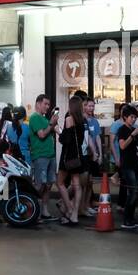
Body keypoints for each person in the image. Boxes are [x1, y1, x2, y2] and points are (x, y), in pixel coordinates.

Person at [56, 96, 88, 226]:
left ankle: (69, 209)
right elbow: (79, 140)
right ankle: (74, 215)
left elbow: (65, 140)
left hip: (68, 155)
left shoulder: (69, 119)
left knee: (60, 183)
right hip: (78, 154)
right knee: (77, 185)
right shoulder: (82, 120)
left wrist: (57, 130)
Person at [28, 95, 59, 220]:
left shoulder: (45, 118)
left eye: (48, 104)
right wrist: (51, 123)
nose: (47, 106)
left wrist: (54, 124)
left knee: (49, 184)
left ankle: (44, 211)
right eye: (45, 104)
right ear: (38, 104)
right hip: (40, 156)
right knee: (40, 184)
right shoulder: (35, 117)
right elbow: (41, 134)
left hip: (50, 155)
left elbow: (57, 131)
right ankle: (31, 208)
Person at [115, 105, 138, 230]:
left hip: (136, 163)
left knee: (136, 192)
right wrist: (133, 135)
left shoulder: (134, 130)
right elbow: (122, 146)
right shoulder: (122, 130)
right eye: (131, 117)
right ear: (125, 117)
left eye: (135, 117)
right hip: (127, 165)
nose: (133, 119)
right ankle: (127, 219)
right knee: (132, 192)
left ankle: (131, 217)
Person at [80, 97, 102, 216]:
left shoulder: (94, 121)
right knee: (83, 182)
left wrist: (100, 154)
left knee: (90, 182)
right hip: (84, 154)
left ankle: (87, 205)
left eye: (93, 106)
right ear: (84, 106)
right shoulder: (81, 120)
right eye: (89, 106)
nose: (91, 108)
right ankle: (81, 206)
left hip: (93, 155)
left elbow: (97, 137)